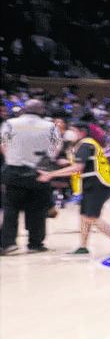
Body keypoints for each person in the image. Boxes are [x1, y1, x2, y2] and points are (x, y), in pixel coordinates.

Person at [38, 121, 110, 257]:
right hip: (90, 184)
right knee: (84, 216)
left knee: (92, 217)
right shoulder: (82, 145)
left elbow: (77, 168)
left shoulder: (86, 144)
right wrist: (68, 162)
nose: (69, 132)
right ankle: (83, 246)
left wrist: (51, 174)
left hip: (98, 183)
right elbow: (86, 164)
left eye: (72, 129)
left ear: (82, 131)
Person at [0, 99, 62, 256]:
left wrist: (11, 157)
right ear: (41, 110)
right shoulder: (50, 126)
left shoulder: (10, 123)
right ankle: (35, 243)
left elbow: (2, 143)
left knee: (11, 208)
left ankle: (8, 243)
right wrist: (47, 161)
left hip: (14, 171)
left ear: (24, 109)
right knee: (38, 209)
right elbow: (57, 146)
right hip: (39, 172)